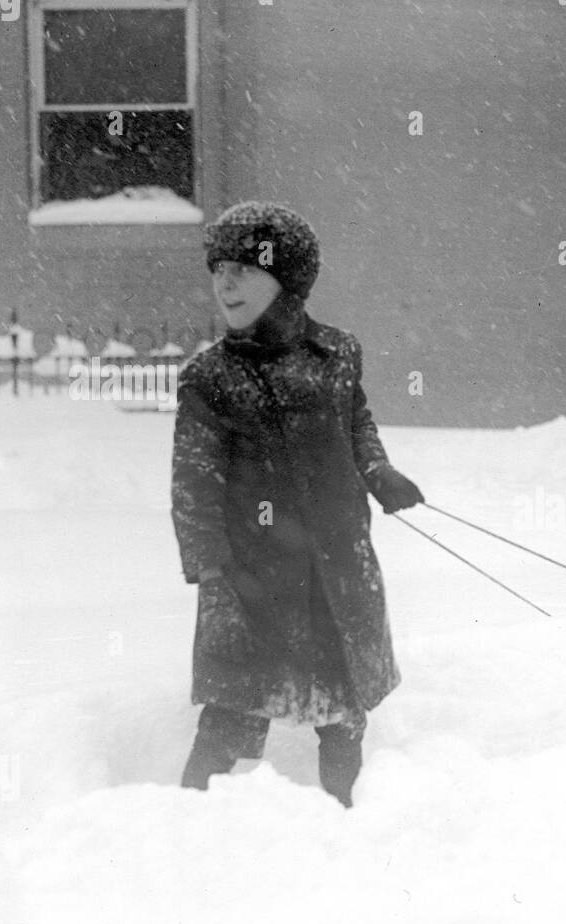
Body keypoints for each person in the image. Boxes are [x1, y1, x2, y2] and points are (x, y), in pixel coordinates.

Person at [171, 201, 424, 804]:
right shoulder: (210, 378)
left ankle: (350, 819)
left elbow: (355, 418)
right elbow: (193, 485)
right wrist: (210, 572)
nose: (224, 282)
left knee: (341, 711)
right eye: (217, 268)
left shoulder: (336, 354)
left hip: (335, 563)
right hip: (252, 577)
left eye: (244, 269)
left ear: (287, 281)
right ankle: (182, 827)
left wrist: (377, 469)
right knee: (232, 713)